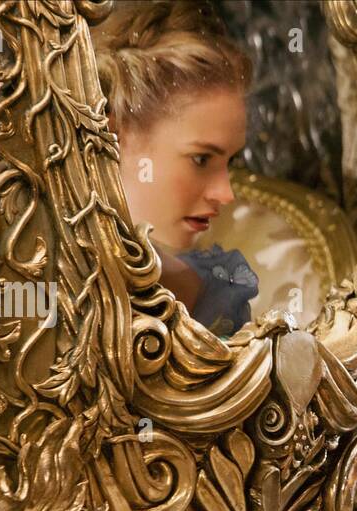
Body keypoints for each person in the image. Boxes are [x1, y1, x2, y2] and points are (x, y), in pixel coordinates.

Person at [92, 0, 259, 337]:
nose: (225, 194)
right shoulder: (12, 280)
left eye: (230, 162)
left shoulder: (214, 299)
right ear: (113, 137)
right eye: (201, 160)